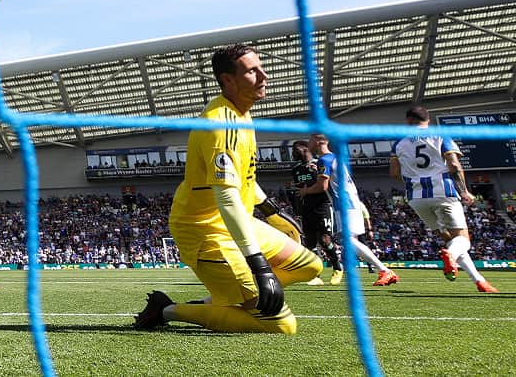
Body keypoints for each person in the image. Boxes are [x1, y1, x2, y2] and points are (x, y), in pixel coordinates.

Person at [135, 44, 322, 334]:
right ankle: (165, 310)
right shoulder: (220, 123)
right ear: (228, 81)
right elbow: (226, 195)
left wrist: (270, 212)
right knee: (282, 326)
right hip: (205, 230)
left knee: (310, 266)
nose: (264, 76)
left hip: (236, 220)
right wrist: (258, 263)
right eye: (252, 71)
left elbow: (244, 176)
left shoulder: (242, 114)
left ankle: (218, 300)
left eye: (261, 68)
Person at [391, 106, 498, 293]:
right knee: (463, 240)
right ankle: (452, 256)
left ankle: (479, 281)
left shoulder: (398, 143)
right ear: (428, 120)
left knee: (450, 239)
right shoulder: (440, 135)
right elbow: (455, 166)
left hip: (416, 198)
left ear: (408, 121)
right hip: (443, 193)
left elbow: (394, 173)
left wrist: (413, 180)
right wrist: (464, 191)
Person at [307, 134, 398, 287]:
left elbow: (322, 186)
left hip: (343, 203)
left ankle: (384, 270)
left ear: (318, 141)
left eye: (310, 139)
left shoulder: (325, 160)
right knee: (348, 241)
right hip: (349, 201)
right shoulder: (334, 158)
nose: (308, 143)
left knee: (348, 240)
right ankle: (383, 270)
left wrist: (305, 191)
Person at [291, 139, 342, 285]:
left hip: (322, 205)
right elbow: (299, 191)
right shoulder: (296, 170)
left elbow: (325, 184)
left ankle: (337, 267)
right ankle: (316, 276)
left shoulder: (319, 163)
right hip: (307, 208)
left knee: (324, 240)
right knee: (310, 242)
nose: (293, 153)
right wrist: (299, 211)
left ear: (305, 149)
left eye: (296, 149)